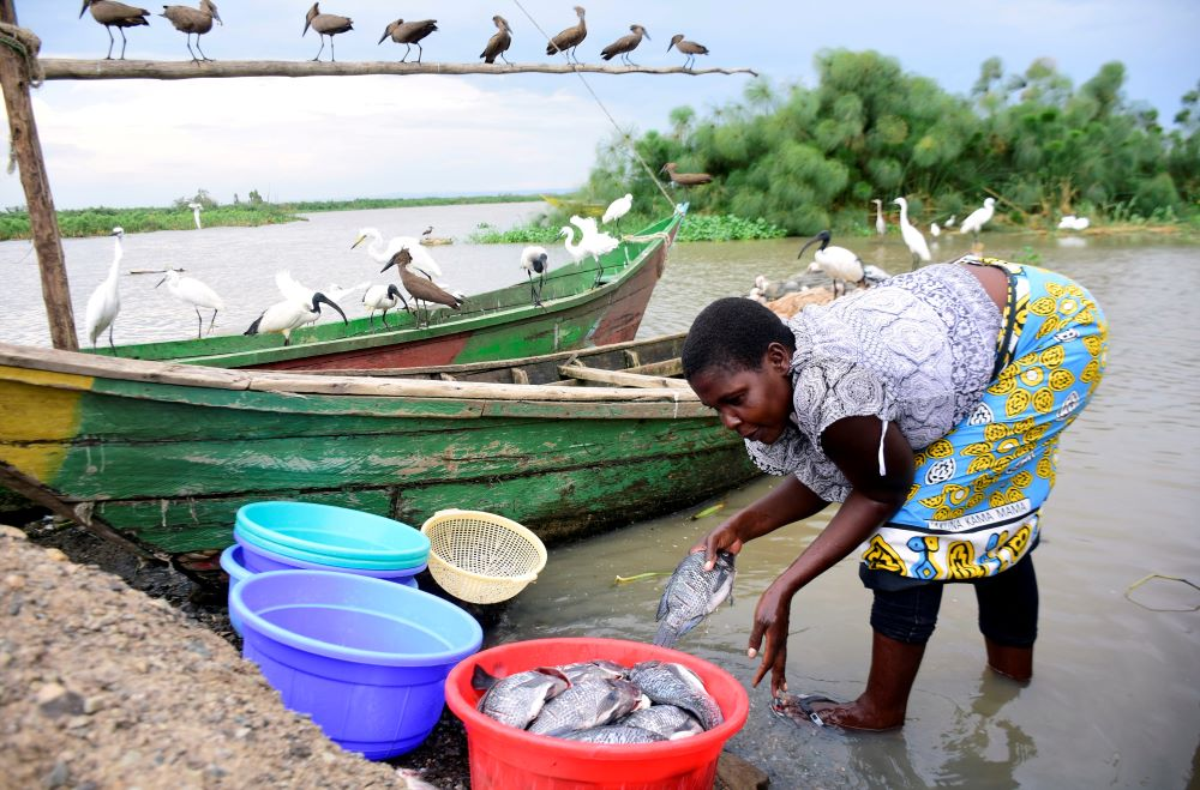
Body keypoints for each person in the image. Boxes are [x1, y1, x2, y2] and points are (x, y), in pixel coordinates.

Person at [680, 254, 1107, 731]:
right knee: (987, 509)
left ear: (779, 358)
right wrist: (743, 525)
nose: (731, 422)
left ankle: (880, 711)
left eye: (736, 400)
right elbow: (842, 469)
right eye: (716, 409)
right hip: (1003, 307)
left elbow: (883, 490)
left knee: (910, 528)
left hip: (1049, 334)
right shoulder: (793, 378)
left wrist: (785, 586)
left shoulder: (834, 388)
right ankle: (1011, 682)